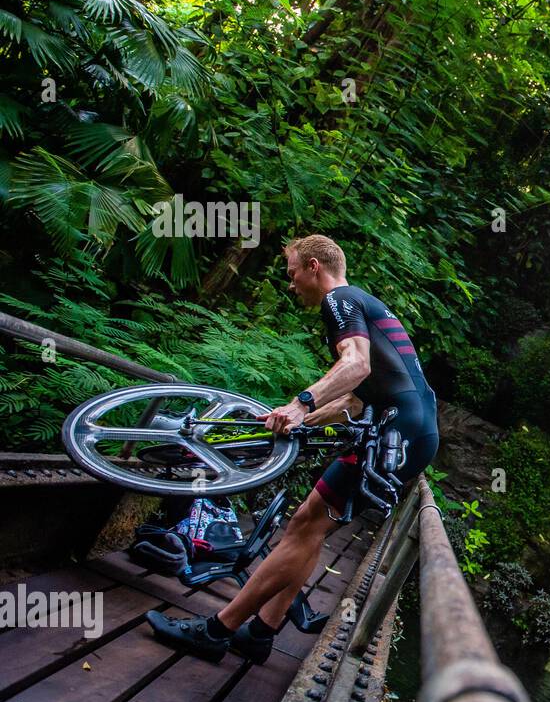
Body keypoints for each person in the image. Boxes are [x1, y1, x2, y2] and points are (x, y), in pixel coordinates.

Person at [145, 234, 440, 664]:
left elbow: (356, 365)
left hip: (397, 431)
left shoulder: (340, 301)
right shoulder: (364, 305)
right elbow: (356, 398)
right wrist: (301, 421)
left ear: (314, 267)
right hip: (407, 430)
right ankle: (261, 632)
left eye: (292, 273)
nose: (290, 284)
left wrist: (301, 403)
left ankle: (216, 630)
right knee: (308, 526)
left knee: (306, 524)